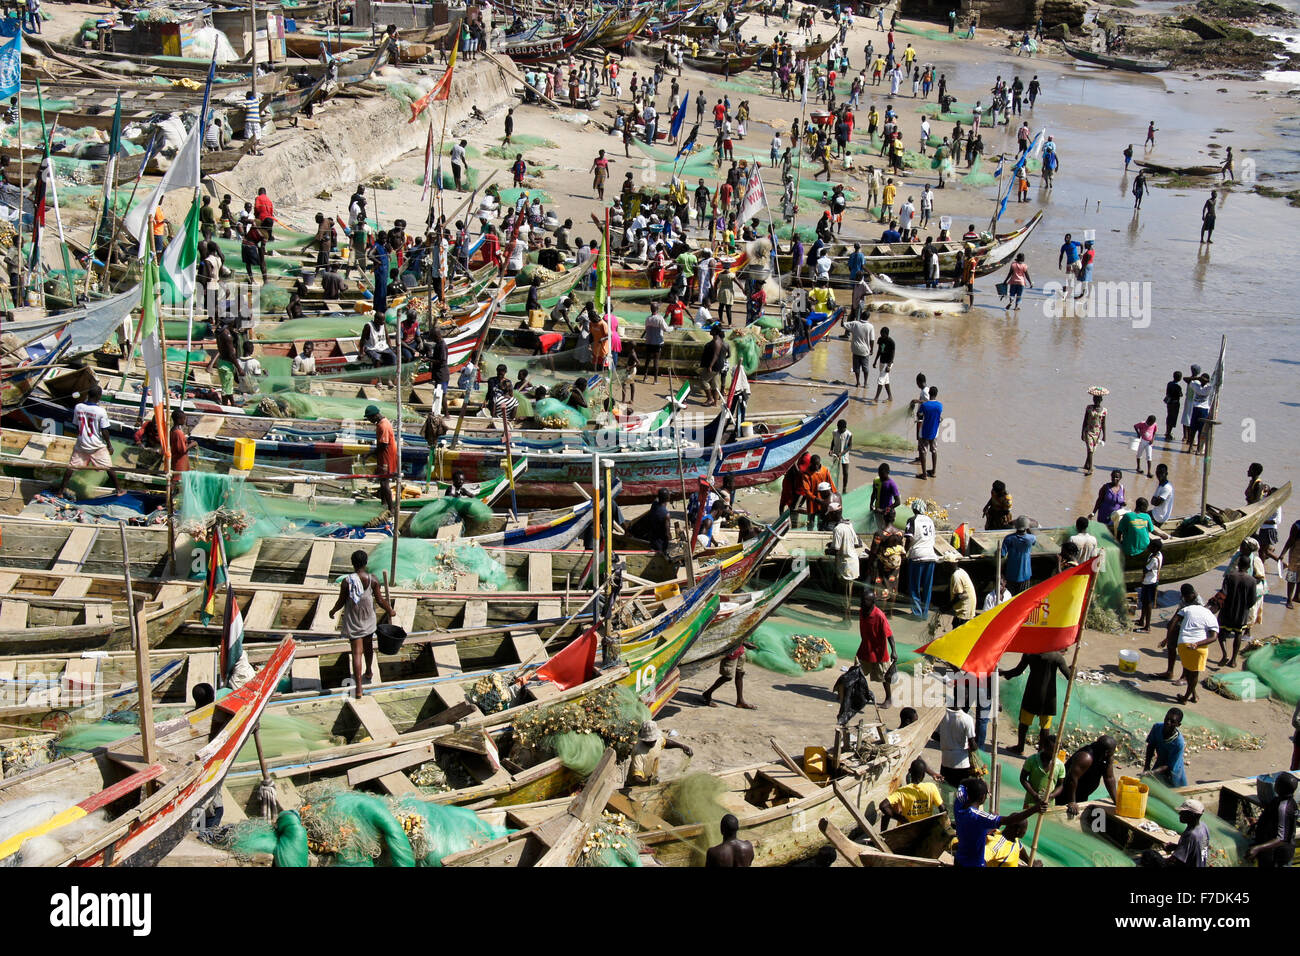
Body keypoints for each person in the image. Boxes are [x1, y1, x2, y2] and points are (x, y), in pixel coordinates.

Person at [329, 549, 394, 699]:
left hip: (353, 620)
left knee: (356, 652)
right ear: (366, 563)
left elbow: (340, 601)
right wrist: (390, 611)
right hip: (368, 619)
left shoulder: (347, 582)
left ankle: (358, 688)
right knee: (369, 647)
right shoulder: (373, 580)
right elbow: (380, 600)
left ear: (352, 563)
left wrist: (332, 611)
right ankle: (369, 671)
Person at [953, 777, 1040, 867]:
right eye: (987, 794)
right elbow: (1009, 820)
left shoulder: (959, 804)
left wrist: (978, 784)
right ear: (982, 797)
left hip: (959, 859)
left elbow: (962, 783)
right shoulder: (979, 817)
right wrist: (1035, 809)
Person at [57, 384, 122, 497]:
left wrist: (83, 436)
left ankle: (60, 491)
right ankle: (119, 490)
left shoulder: (78, 407)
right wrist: (109, 445)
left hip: (82, 443)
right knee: (109, 468)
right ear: (99, 396)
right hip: (96, 445)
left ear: (88, 394)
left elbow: (77, 425)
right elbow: (104, 430)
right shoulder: (100, 411)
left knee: (71, 467)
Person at [1000, 650, 1071, 754]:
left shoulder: (1030, 653)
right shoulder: (1056, 656)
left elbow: (1017, 671)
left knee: (1024, 724)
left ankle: (1020, 747)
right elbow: (1069, 676)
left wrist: (1004, 673)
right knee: (1045, 727)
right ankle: (1041, 751)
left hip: (1031, 695)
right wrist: (1074, 669)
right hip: (1049, 698)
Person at [1161, 584, 1218, 703]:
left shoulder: (1193, 606)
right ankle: (1190, 695)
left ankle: (1188, 696)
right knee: (1193, 672)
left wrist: (1167, 638)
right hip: (1199, 646)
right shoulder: (1211, 616)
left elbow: (1174, 621)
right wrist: (1198, 643)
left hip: (1185, 643)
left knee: (1189, 670)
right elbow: (1213, 637)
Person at [1056, 735, 1119, 816]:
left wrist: (1116, 801)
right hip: (1065, 795)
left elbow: (1109, 778)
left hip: (1082, 795)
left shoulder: (1106, 757)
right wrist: (1071, 801)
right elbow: (1071, 778)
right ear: (1106, 752)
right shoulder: (1086, 758)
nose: (1113, 754)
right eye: (1113, 752)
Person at [1247, 771, 1297, 867]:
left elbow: (1281, 838)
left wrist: (1257, 848)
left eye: (1277, 781)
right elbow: (1278, 822)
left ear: (1281, 787)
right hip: (1269, 853)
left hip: (1278, 857)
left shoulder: (1284, 808)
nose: (1274, 783)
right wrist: (1258, 822)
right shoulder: (1278, 800)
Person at [1142, 799, 1210, 868]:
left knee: (1149, 854)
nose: (1180, 813)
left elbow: (1177, 861)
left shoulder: (1191, 835)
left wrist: (1165, 860)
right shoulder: (1203, 826)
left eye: (1183, 812)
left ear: (1192, 815)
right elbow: (1195, 848)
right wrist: (1176, 847)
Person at [856, 590, 897, 707]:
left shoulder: (879, 616)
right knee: (857, 673)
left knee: (884, 677)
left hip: (879, 651)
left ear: (873, 602)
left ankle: (889, 698)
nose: (863, 603)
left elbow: (889, 634)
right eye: (862, 600)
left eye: (866, 601)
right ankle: (859, 695)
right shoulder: (861, 612)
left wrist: (893, 651)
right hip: (865, 648)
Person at [880, 758, 944, 830]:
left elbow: (883, 806)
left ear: (910, 772)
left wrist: (900, 818)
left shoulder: (902, 792)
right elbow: (943, 809)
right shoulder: (931, 787)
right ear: (923, 775)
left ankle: (882, 837)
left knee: (887, 813)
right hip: (925, 830)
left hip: (905, 831)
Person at [1217, 554, 1256, 667]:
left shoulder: (1229, 576)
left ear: (1238, 564)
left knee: (1221, 633)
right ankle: (1233, 660)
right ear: (1248, 567)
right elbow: (1252, 600)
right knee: (1238, 634)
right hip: (1241, 613)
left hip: (1227, 611)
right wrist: (1245, 608)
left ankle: (1224, 654)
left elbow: (1223, 593)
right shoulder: (1252, 580)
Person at [628, 719, 692, 786]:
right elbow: (636, 777)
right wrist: (646, 783)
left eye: (654, 740)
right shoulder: (638, 752)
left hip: (651, 778)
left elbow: (665, 742)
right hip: (636, 784)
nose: (653, 742)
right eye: (650, 741)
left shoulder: (657, 740)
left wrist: (682, 746)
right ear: (644, 740)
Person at [701, 638, 758, 710]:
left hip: (740, 649)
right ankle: (707, 693)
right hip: (730, 650)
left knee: (740, 673)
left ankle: (740, 701)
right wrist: (744, 642)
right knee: (727, 676)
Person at [904, 500, 937, 618]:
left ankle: (917, 613)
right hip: (930, 556)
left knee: (914, 586)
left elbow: (908, 539)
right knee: (927, 587)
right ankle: (925, 613)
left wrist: (904, 552)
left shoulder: (912, 520)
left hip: (917, 556)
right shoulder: (930, 521)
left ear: (914, 509)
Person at [365, 404, 399, 514]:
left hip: (386, 456)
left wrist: (369, 454)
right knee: (382, 480)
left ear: (375, 416)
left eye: (370, 418)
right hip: (384, 456)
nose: (369, 420)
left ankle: (391, 508)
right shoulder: (382, 423)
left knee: (384, 482)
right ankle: (383, 504)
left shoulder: (383, 425)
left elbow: (383, 444)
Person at [939, 695, 980, 786]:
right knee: (961, 793)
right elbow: (972, 745)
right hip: (961, 764)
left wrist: (947, 740)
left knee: (945, 791)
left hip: (945, 760)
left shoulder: (942, 716)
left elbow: (935, 735)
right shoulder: (967, 718)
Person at [1144, 707, 1188, 788]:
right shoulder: (1157, 728)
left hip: (1174, 773)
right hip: (1160, 764)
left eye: (1172, 721)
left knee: (1175, 794)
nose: (1168, 722)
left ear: (1178, 725)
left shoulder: (1179, 743)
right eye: (1167, 719)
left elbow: (1169, 766)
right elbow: (1151, 747)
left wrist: (1152, 772)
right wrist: (1147, 766)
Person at [1019, 732, 1065, 808]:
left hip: (1048, 805)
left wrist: (1050, 796)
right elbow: (1023, 779)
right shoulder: (1032, 760)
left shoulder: (1060, 765)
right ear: (1045, 747)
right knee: (1027, 819)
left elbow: (1060, 786)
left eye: (1057, 751)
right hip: (1030, 802)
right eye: (1052, 751)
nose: (1055, 753)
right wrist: (1034, 794)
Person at [1001, 515, 1036, 594]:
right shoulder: (1031, 538)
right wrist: (1028, 529)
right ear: (1026, 527)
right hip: (1025, 574)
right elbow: (1033, 539)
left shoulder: (1008, 538)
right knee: (1022, 597)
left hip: (1011, 574)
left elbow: (1002, 555)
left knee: (1010, 597)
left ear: (1016, 526)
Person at [1136, 538, 1164, 632]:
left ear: (1155, 548)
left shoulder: (1154, 559)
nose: (1148, 547)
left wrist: (1144, 567)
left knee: (1148, 604)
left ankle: (1147, 626)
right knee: (1144, 602)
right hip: (1150, 580)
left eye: (1150, 546)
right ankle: (1141, 620)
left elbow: (1146, 569)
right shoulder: (1157, 554)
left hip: (1150, 582)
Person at [915, 386, 941, 478]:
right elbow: (939, 417)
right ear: (936, 394)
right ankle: (933, 471)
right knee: (934, 451)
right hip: (935, 431)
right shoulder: (939, 405)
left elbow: (920, 414)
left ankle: (924, 474)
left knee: (923, 451)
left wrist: (919, 414)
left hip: (925, 431)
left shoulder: (924, 405)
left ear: (929, 393)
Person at [869, 462, 900, 527]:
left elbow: (898, 502)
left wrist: (885, 510)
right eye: (879, 474)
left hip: (887, 513)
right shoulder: (876, 480)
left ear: (888, 473)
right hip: (877, 509)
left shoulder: (892, 484)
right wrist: (871, 504)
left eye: (882, 475)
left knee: (886, 528)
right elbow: (874, 493)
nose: (881, 477)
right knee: (879, 527)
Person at [829, 419, 852, 490]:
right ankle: (834, 486)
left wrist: (842, 453)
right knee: (836, 471)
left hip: (844, 455)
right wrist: (831, 450)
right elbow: (833, 441)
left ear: (845, 427)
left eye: (841, 428)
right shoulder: (835, 432)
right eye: (838, 428)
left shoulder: (849, 434)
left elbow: (850, 446)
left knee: (845, 472)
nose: (839, 430)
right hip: (836, 454)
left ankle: (844, 488)